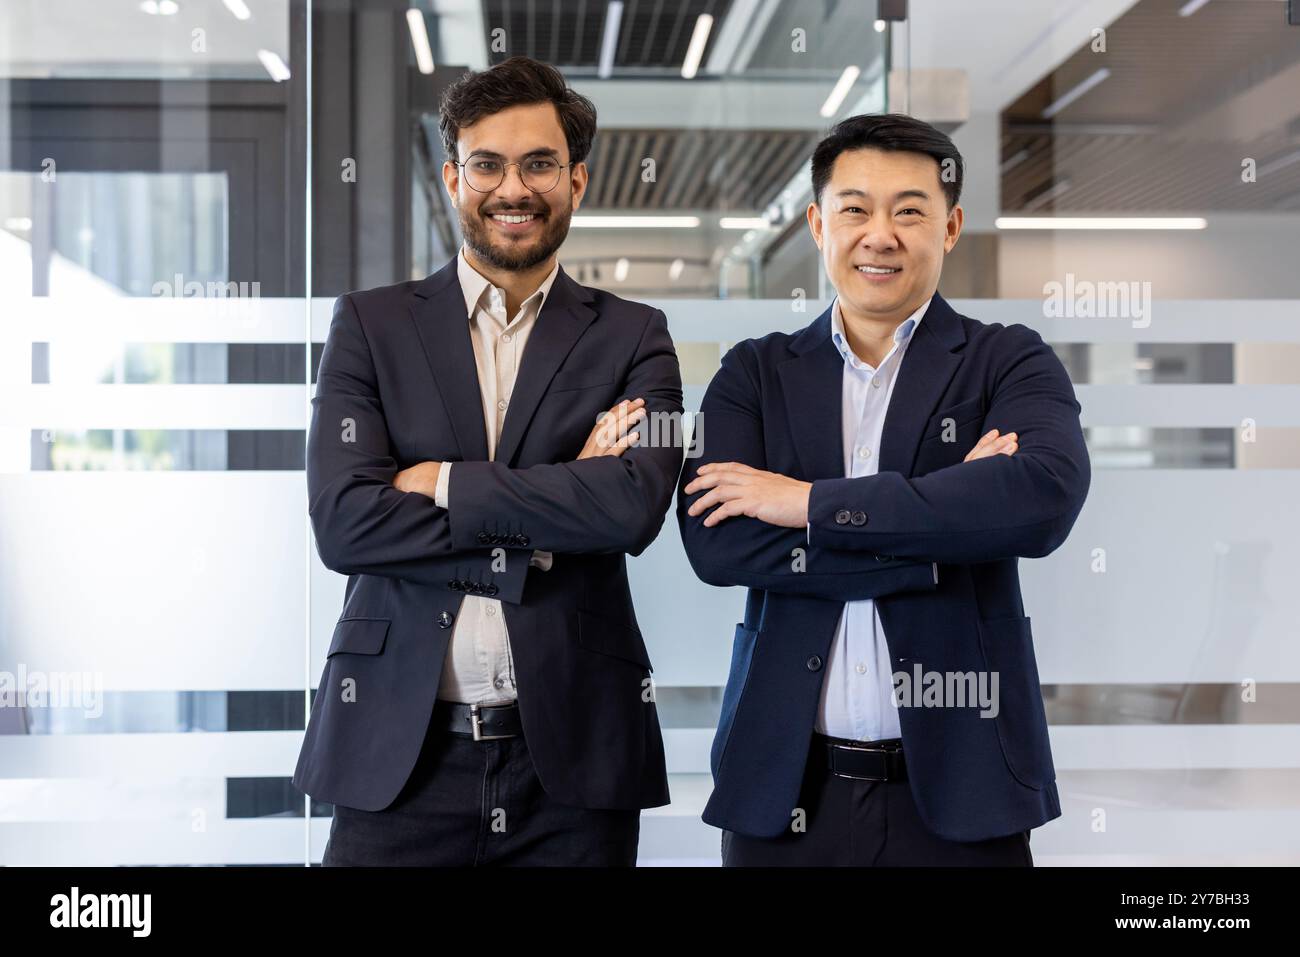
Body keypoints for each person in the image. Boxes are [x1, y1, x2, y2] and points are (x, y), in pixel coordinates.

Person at [294, 56, 683, 866]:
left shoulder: (634, 335)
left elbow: (629, 510)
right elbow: (345, 524)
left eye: (540, 163)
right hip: (397, 762)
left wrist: (436, 482)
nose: (515, 187)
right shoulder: (371, 326)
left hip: (573, 767)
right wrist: (554, 506)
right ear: (452, 177)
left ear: (577, 180)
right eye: (488, 164)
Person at [678, 113, 1090, 866]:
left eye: (909, 211)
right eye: (855, 209)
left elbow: (1041, 499)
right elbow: (716, 538)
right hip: (786, 791)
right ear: (817, 223)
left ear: (952, 225)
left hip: (964, 792)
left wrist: (804, 503)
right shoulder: (756, 372)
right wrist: (941, 524)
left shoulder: (1007, 361)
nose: (880, 235)